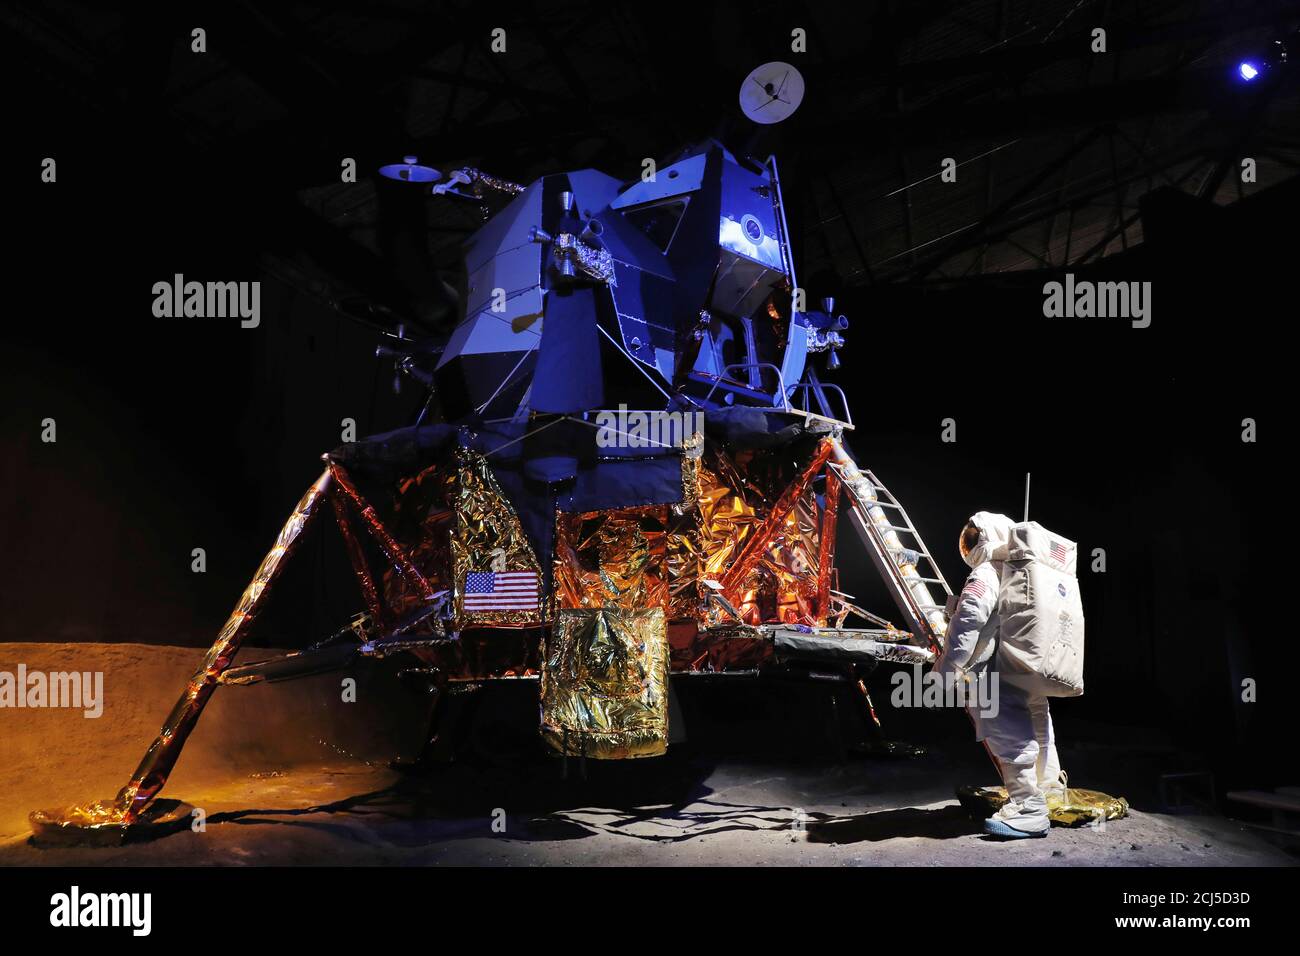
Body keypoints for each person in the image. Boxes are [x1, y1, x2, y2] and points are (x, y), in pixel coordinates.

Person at [937, 512, 1066, 839]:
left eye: (971, 538)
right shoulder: (1027, 571)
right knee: (1037, 719)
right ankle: (1050, 789)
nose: (968, 547)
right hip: (1031, 663)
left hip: (998, 669)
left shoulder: (988, 571)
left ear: (984, 536)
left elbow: (968, 621)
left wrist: (945, 670)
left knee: (1007, 729)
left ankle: (1028, 808)